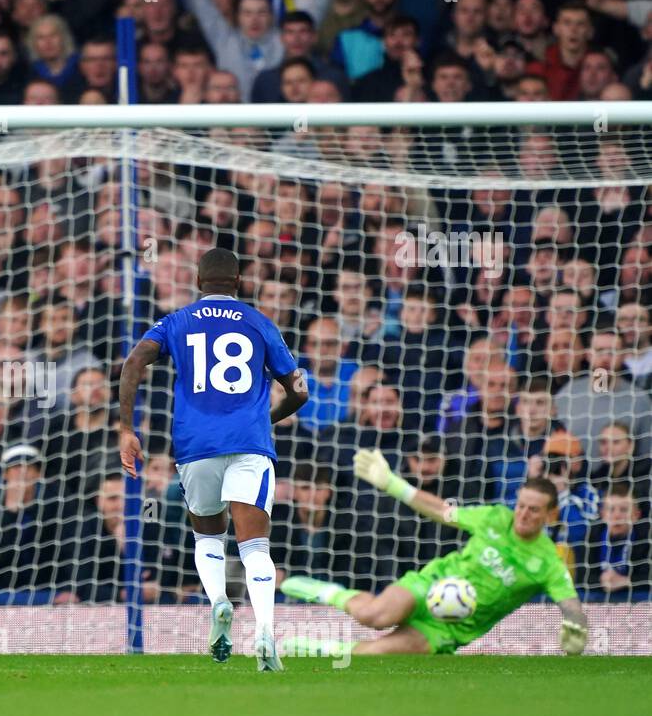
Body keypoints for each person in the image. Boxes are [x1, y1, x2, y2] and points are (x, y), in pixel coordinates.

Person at [118, 248, 308, 671]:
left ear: (198, 280)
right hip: (249, 444)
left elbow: (133, 363)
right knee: (255, 544)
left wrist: (126, 429)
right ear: (238, 280)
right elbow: (299, 390)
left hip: (195, 447)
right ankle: (263, 631)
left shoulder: (176, 320)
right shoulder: (260, 323)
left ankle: (219, 600)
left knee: (208, 536)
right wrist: (268, 418)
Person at [281, 458, 588, 657]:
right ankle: (326, 591)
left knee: (371, 656)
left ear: (551, 514)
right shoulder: (496, 517)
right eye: (520, 505)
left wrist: (576, 629)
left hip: (451, 629)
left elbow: (570, 603)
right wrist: (393, 484)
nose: (522, 515)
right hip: (432, 584)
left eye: (533, 510)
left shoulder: (548, 562)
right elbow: (443, 511)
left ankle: (316, 648)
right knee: (375, 616)